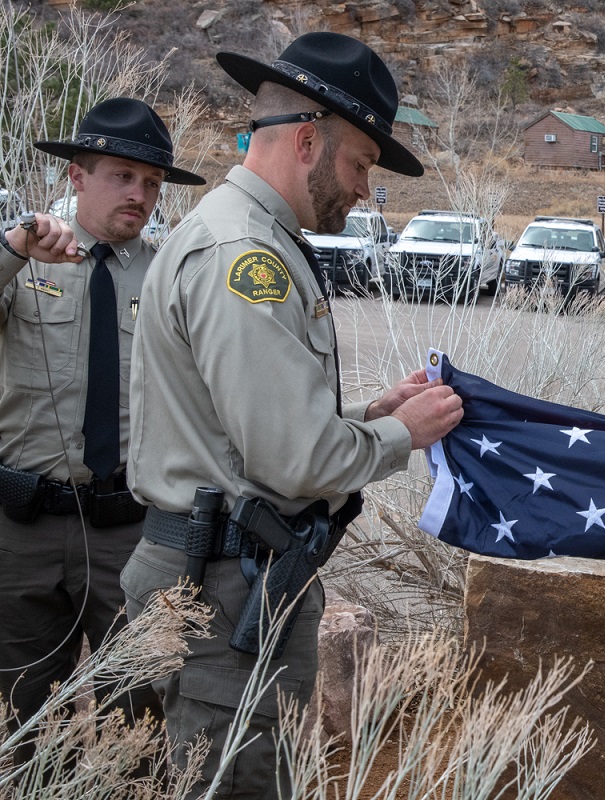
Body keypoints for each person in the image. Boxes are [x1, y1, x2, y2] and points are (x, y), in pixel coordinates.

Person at [119, 33, 463, 799]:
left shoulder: (247, 235)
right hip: (221, 595)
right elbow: (294, 460)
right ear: (307, 140)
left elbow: (236, 425)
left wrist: (367, 413)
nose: (367, 191)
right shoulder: (247, 255)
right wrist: (403, 434)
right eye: (362, 164)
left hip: (217, 576)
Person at [0, 98, 205, 759]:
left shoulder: (171, 273)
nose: (140, 194)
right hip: (21, 531)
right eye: (122, 175)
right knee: (22, 717)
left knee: (136, 718)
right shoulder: (27, 254)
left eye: (151, 183)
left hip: (130, 532)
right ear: (77, 178)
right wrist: (12, 250)